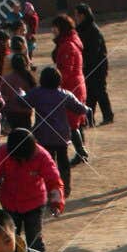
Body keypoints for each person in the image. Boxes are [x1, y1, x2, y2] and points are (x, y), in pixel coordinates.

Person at [0, 127, 64, 252]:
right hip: (10, 204)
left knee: (35, 241)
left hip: (34, 205)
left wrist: (56, 203)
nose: (21, 160)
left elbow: (54, 181)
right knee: (10, 240)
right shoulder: (3, 152)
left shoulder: (42, 156)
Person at [24, 67, 89, 198]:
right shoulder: (64, 94)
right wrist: (87, 109)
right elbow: (80, 109)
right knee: (63, 161)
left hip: (42, 135)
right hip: (61, 135)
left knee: (46, 163)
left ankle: (48, 189)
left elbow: (23, 101)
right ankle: (64, 188)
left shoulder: (37, 93)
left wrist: (19, 94)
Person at [50, 15, 90, 165]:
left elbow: (66, 70)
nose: (52, 30)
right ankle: (81, 151)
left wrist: (54, 83)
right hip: (76, 84)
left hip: (71, 87)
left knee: (72, 122)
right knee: (76, 121)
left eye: (55, 27)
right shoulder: (71, 42)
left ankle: (81, 152)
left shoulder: (67, 45)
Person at [74, 4, 113, 127]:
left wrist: (85, 62)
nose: (75, 17)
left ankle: (108, 115)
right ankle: (89, 119)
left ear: (83, 15)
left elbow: (94, 51)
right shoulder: (80, 29)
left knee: (100, 91)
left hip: (97, 66)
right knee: (89, 93)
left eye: (77, 15)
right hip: (87, 67)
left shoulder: (93, 30)